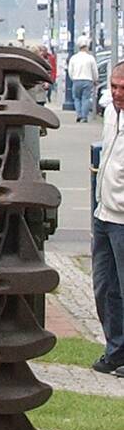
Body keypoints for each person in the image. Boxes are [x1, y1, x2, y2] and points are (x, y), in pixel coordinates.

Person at [93, 60, 124, 375]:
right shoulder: (112, 115)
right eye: (114, 86)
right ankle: (115, 349)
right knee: (105, 286)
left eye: (122, 88)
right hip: (104, 213)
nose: (117, 93)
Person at [67, 36, 98, 122]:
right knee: (86, 98)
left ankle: (79, 114)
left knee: (77, 98)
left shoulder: (74, 58)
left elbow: (70, 71)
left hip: (76, 80)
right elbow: (94, 70)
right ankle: (84, 116)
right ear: (87, 47)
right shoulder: (90, 58)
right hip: (88, 80)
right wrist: (95, 79)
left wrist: (73, 78)